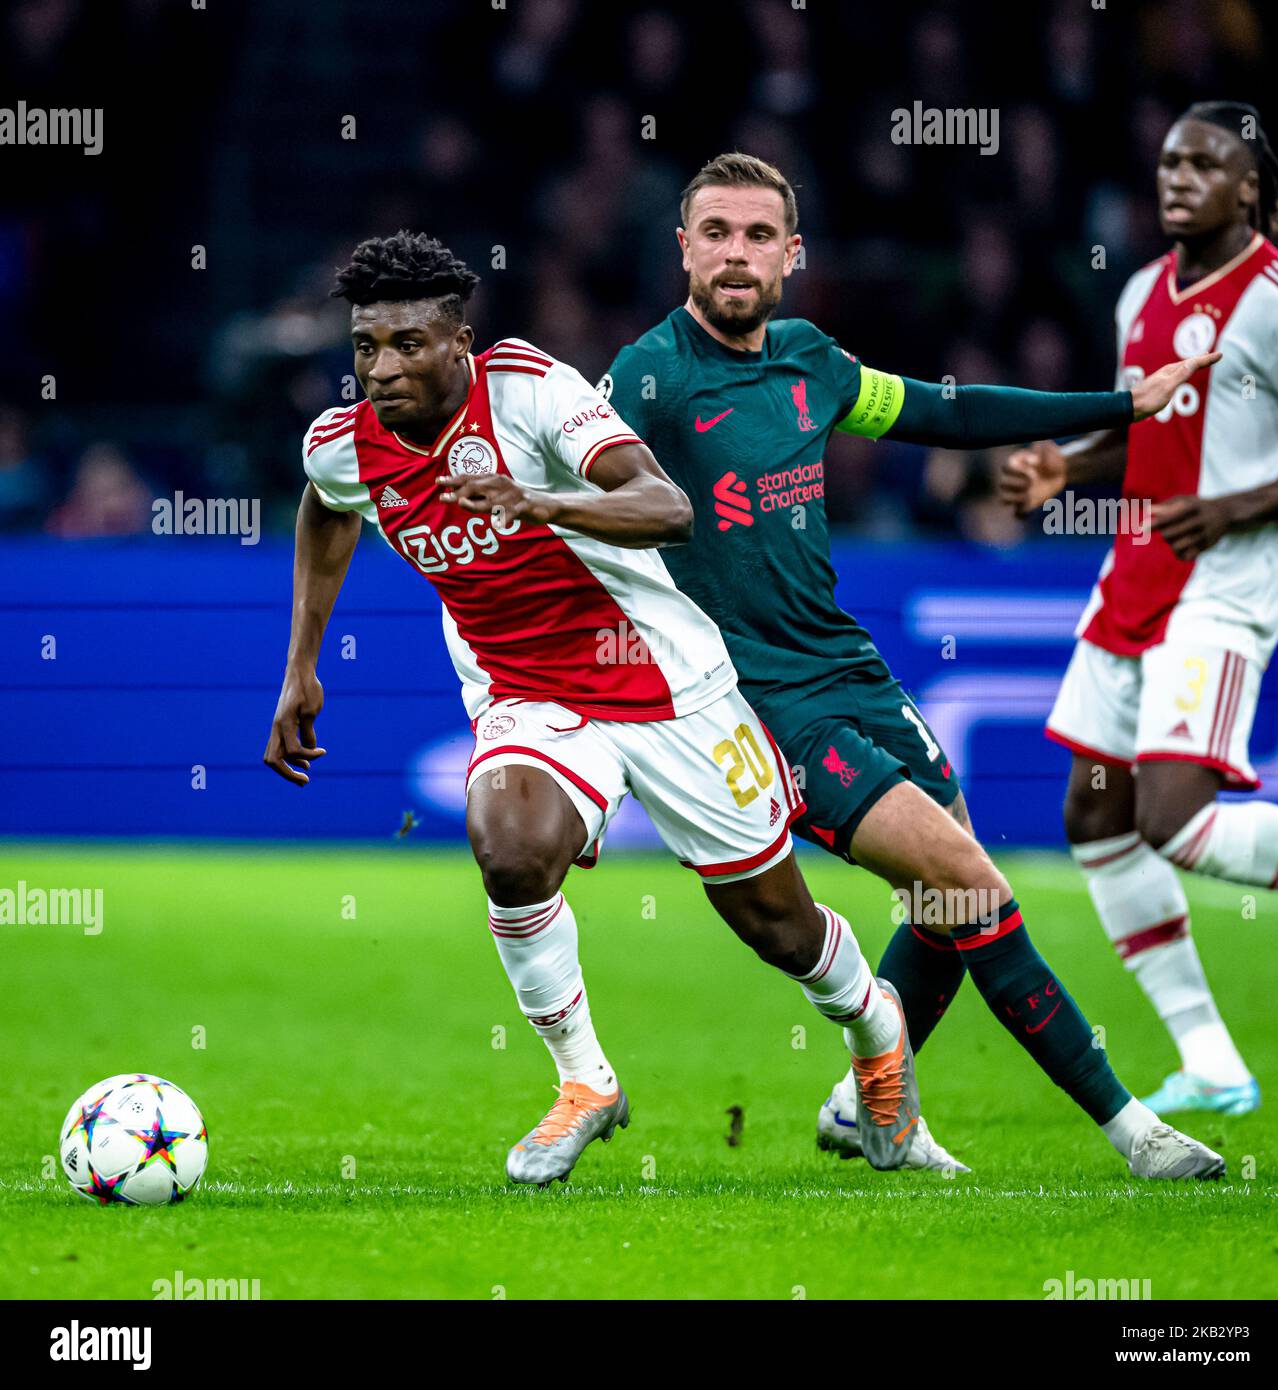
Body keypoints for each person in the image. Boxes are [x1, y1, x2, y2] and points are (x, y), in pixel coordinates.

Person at [263, 230, 946, 1187]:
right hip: (527, 692)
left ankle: (877, 1028)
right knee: (507, 844)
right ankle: (585, 1083)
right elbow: (327, 506)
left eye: (409, 345)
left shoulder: (535, 392)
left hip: (666, 685)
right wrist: (303, 664)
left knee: (775, 924)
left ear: (460, 343)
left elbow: (666, 508)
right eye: (367, 347)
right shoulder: (345, 443)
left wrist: (539, 500)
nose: (383, 368)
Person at [601, 152, 1224, 1179]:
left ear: (793, 255)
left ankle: (859, 1100)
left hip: (848, 666)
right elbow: (577, 483)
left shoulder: (812, 363)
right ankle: (1133, 1131)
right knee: (965, 876)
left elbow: (951, 410)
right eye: (714, 232)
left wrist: (1119, 406)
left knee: (947, 891)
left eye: (759, 235)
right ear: (682, 248)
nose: (735, 254)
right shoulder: (648, 375)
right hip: (757, 702)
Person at [1000, 102, 1278, 1116]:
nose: (1177, 177)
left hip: (1225, 583)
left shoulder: (1276, 301)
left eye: (1204, 164)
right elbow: (1143, 428)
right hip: (1134, 572)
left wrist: (1231, 506)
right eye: (1169, 160)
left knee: (1173, 816)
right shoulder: (1139, 293)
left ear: (1250, 188)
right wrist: (1065, 466)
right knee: (1092, 811)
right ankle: (1211, 1060)